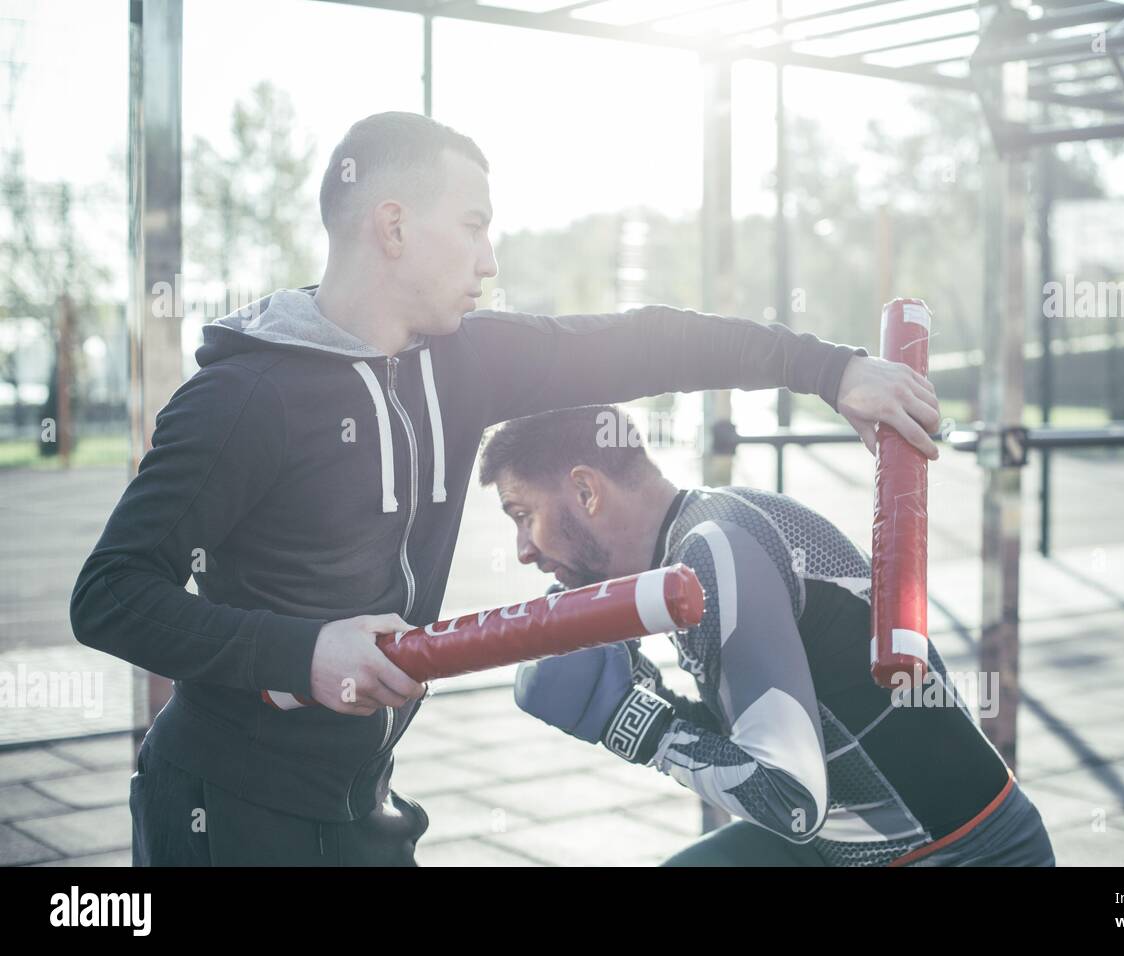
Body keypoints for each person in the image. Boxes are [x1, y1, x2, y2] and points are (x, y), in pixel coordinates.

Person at [69, 112, 940, 865]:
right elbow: (108, 596)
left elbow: (648, 342)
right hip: (229, 811)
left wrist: (831, 370)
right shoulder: (245, 397)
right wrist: (303, 652)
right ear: (394, 226)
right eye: (475, 225)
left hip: (363, 800)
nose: (490, 258)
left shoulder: (464, 361)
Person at [484, 404, 1055, 866]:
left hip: (965, 856)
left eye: (521, 515)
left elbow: (789, 801)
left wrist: (630, 725)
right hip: (847, 849)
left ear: (586, 491)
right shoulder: (698, 535)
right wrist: (651, 699)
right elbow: (765, 745)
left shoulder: (713, 550)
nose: (524, 551)